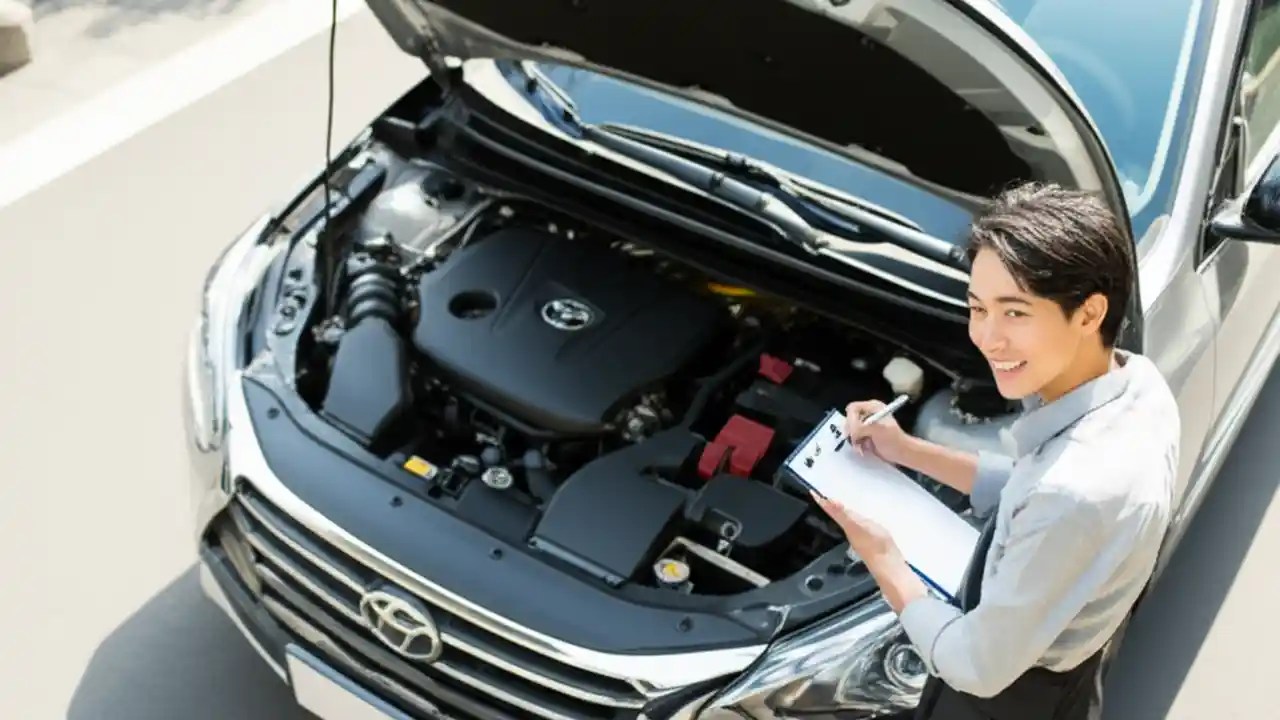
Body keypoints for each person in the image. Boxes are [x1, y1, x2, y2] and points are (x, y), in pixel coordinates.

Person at [813, 182, 1180, 720]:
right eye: (977, 307)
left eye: (1015, 313)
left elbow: (974, 667)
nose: (987, 337)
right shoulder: (1138, 386)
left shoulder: (1075, 491)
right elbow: (1031, 483)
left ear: (1089, 312)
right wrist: (908, 450)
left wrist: (883, 559)